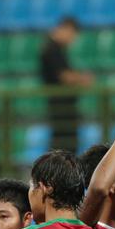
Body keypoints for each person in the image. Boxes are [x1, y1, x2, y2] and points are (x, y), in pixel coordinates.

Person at [39, 16, 92, 154]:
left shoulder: (55, 48)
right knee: (63, 145)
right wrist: (82, 79)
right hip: (60, 106)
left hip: (63, 106)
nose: (72, 39)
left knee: (64, 144)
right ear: (66, 29)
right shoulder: (51, 49)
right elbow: (64, 76)